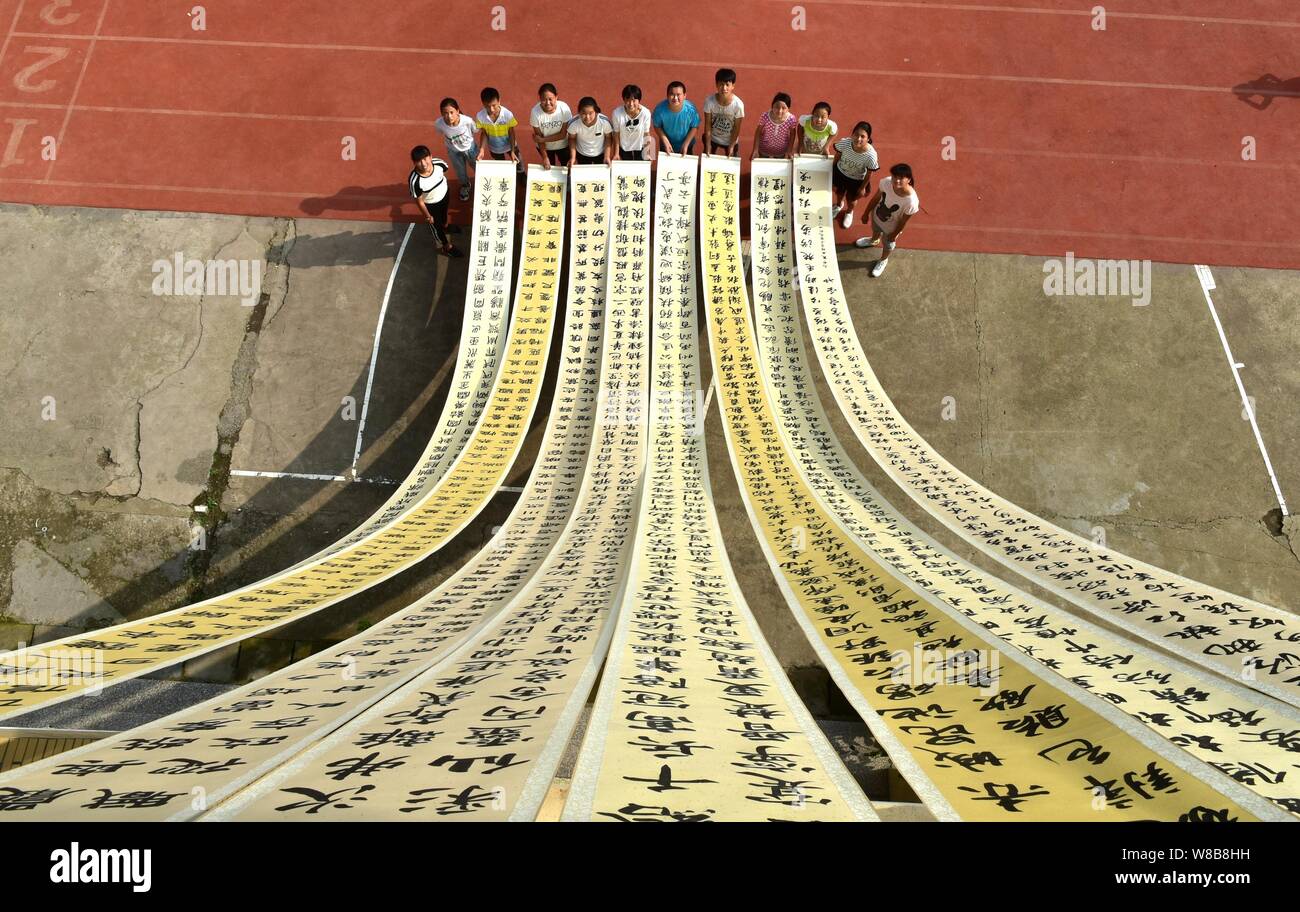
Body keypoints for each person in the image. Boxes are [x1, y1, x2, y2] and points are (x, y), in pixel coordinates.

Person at [855, 163, 920, 277]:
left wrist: (894, 234)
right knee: (875, 230)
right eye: (895, 177)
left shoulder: (911, 202)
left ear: (908, 180)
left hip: (891, 228)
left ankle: (883, 260)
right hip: (877, 217)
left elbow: (903, 221)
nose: (896, 180)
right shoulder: (886, 182)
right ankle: (873, 240)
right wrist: (866, 213)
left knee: (888, 245)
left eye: (901, 178)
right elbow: (876, 198)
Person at [408, 145, 462, 258]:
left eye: (425, 158)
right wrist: (427, 216)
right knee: (437, 227)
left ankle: (446, 226)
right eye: (418, 161)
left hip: (445, 195)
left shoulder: (439, 164)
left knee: (444, 215)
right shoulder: (415, 181)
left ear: (431, 157)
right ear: (414, 163)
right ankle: (446, 246)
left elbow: (444, 172)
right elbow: (419, 201)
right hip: (431, 205)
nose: (423, 163)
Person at [830, 121, 879, 230]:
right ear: (852, 134)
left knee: (851, 200)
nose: (858, 139)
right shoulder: (845, 143)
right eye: (856, 134)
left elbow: (869, 173)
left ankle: (849, 212)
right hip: (840, 173)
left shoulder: (871, 155)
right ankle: (838, 205)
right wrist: (832, 170)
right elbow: (837, 156)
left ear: (868, 138)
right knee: (839, 192)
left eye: (863, 136)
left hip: (856, 180)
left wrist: (862, 188)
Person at [433, 98, 478, 201]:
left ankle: (483, 185)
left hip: (470, 149)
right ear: (441, 113)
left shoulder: (467, 120)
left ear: (457, 111)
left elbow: (474, 130)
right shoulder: (439, 123)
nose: (449, 116)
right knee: (460, 171)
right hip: (453, 151)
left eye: (452, 112)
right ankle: (465, 186)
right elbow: (441, 132)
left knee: (478, 167)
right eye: (445, 113)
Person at [474, 87, 521, 168]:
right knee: (501, 169)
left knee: (519, 168)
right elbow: (484, 133)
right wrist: (482, 150)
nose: (491, 109)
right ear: (483, 103)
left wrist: (513, 151)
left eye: (494, 105)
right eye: (488, 106)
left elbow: (511, 133)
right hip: (495, 148)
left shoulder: (507, 114)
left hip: (511, 146)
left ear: (499, 101)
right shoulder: (480, 116)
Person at [702, 67, 744, 156]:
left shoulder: (738, 105)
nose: (724, 88)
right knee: (706, 160)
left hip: (730, 140)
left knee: (732, 164)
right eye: (721, 84)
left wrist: (732, 146)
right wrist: (708, 144)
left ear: (733, 86)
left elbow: (736, 128)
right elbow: (708, 124)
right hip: (713, 138)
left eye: (727, 85)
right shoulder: (709, 102)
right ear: (716, 84)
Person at [530, 83, 573, 166]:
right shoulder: (535, 112)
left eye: (550, 99)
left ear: (556, 97)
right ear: (539, 99)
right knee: (549, 168)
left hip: (563, 146)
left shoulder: (564, 108)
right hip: (545, 148)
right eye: (544, 99)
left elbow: (563, 135)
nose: (547, 103)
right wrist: (545, 157)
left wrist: (542, 139)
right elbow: (539, 137)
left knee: (566, 168)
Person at [652, 81, 701, 154]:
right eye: (672, 94)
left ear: (684, 95)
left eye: (678, 95)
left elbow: (695, 127)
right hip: (667, 145)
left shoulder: (691, 110)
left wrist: (686, 144)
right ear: (667, 95)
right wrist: (665, 140)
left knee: (686, 165)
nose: (675, 98)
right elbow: (657, 126)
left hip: (686, 145)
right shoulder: (659, 110)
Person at [611, 84, 654, 161]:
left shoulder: (646, 113)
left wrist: (647, 153)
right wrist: (616, 154)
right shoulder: (616, 113)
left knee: (640, 171)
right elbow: (616, 135)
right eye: (628, 99)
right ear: (624, 99)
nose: (631, 104)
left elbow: (646, 134)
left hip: (640, 147)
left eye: (634, 100)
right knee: (625, 172)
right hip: (624, 147)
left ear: (639, 100)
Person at [751, 92, 798, 159]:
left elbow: (792, 134)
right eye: (777, 107)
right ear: (772, 106)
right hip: (763, 151)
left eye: (783, 108)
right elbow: (758, 132)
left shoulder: (791, 119)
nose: (779, 111)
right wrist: (755, 150)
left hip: (781, 152)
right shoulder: (765, 116)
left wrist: (789, 151)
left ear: (788, 109)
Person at [567, 97, 613, 165]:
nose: (587, 117)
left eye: (590, 113)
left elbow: (608, 137)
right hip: (582, 154)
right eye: (584, 113)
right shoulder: (573, 124)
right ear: (579, 112)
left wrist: (607, 156)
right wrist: (573, 157)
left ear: (596, 112)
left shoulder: (604, 122)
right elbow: (571, 138)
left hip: (600, 154)